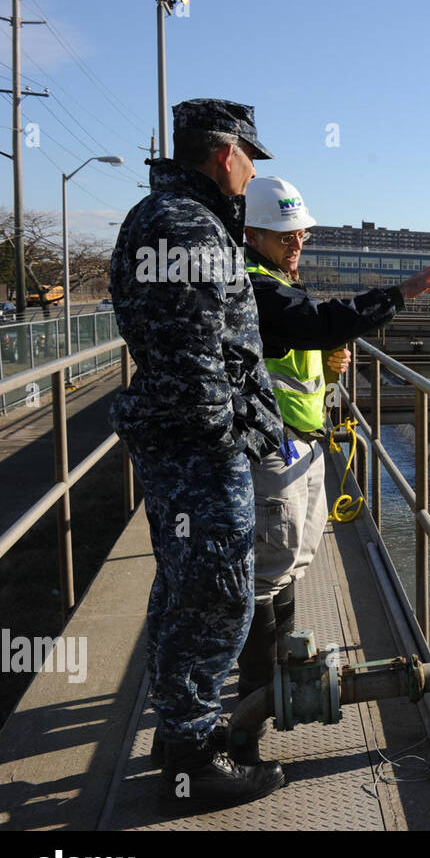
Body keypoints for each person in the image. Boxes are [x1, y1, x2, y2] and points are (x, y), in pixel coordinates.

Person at [108, 98, 286, 807]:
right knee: (217, 596)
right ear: (223, 154)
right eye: (249, 158)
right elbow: (191, 359)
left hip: (182, 446)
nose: (251, 173)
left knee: (187, 591)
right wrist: (226, 440)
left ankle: (180, 733)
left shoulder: (174, 217)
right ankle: (191, 762)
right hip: (197, 453)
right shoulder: (184, 225)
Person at [234, 176, 430, 746]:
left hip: (302, 443)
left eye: (299, 233)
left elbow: (301, 348)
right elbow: (320, 321)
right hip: (272, 449)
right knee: (265, 573)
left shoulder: (277, 280)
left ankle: (280, 677)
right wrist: (398, 294)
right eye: (284, 235)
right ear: (252, 233)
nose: (295, 243)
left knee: (293, 561)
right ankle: (253, 703)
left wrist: (327, 375)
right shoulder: (256, 285)